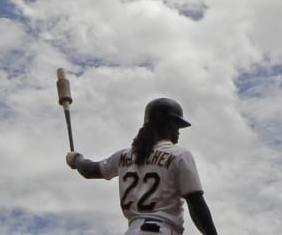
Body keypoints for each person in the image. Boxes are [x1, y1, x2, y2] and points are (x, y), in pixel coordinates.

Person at [66, 97, 219, 235]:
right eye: (176, 125)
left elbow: (89, 170)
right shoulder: (179, 155)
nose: (178, 131)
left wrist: (76, 159)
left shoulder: (124, 155)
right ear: (168, 124)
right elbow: (196, 204)